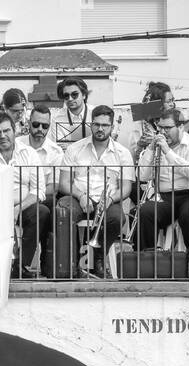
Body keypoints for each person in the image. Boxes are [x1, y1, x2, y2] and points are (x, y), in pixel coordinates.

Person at [61, 107, 134, 278]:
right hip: (78, 196)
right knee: (63, 212)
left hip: (108, 199)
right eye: (96, 124)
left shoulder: (123, 153)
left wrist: (111, 198)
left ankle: (99, 258)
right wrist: (80, 195)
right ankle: (70, 262)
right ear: (91, 124)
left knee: (117, 218)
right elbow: (64, 183)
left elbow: (126, 188)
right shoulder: (74, 149)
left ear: (112, 126)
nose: (100, 129)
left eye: (105, 125)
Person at [0, 114, 48, 278]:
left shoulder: (29, 153)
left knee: (41, 212)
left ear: (15, 131)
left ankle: (20, 265)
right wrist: (3, 207)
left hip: (22, 204)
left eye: (6, 130)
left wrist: (16, 209)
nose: (2, 136)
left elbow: (39, 190)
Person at [134, 108, 189, 252]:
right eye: (160, 128)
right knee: (146, 212)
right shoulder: (156, 146)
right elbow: (142, 176)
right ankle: (147, 261)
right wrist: (151, 150)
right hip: (165, 197)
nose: (163, 132)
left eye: (168, 128)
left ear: (180, 127)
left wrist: (168, 152)